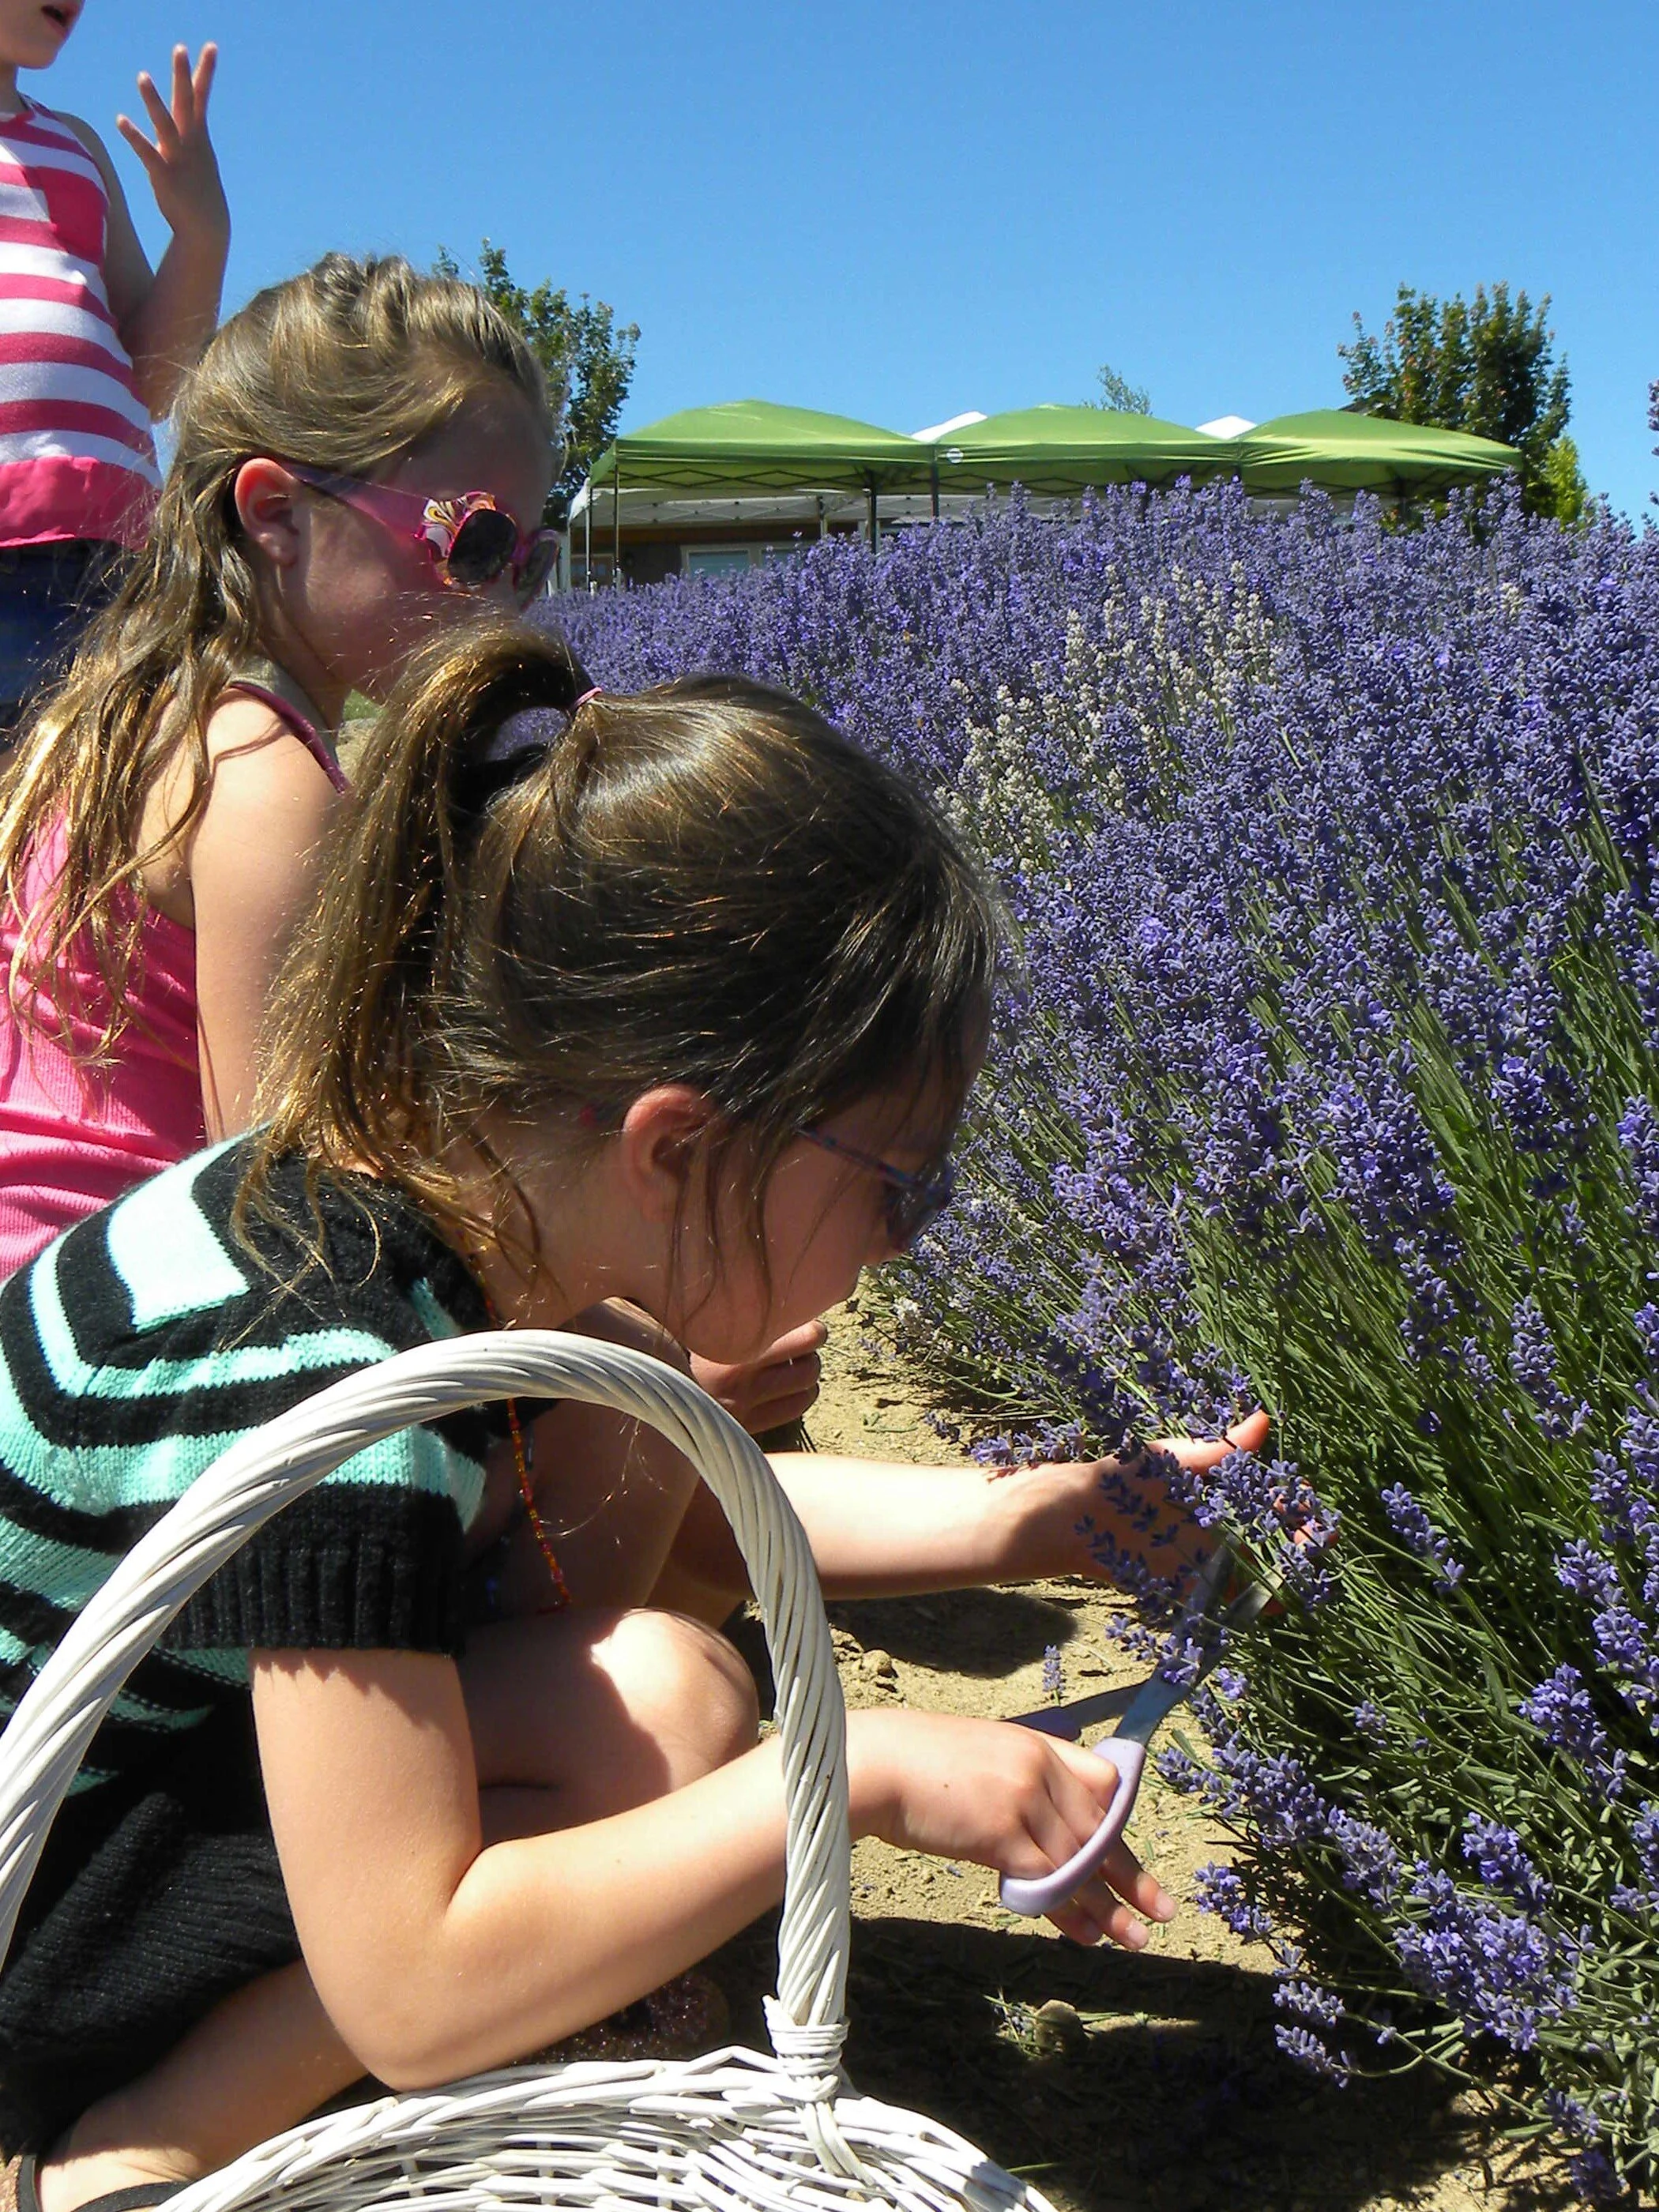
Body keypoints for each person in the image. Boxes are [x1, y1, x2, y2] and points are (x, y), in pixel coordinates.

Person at [0, 619, 1269, 2212]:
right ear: (674, 1147)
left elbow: (721, 1492)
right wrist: (854, 1777)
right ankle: (142, 2141)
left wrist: (1041, 1520)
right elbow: (412, 1989)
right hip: (31, 1915)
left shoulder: (432, 1205)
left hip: (122, 1797)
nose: (906, 1240)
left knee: (647, 1516)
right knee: (669, 1720)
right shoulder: (328, 1374)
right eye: (903, 1186)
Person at [0, 250, 562, 1277]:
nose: (500, 602)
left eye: (531, 560)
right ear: (276, 514)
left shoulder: (132, 716)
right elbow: (282, 1218)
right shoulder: (260, 774)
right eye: (476, 543)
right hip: (100, 1333)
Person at [0, 13, 228, 732]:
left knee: (111, 781)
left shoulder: (77, 145)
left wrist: (201, 233)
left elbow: (156, 379)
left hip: (114, 551)